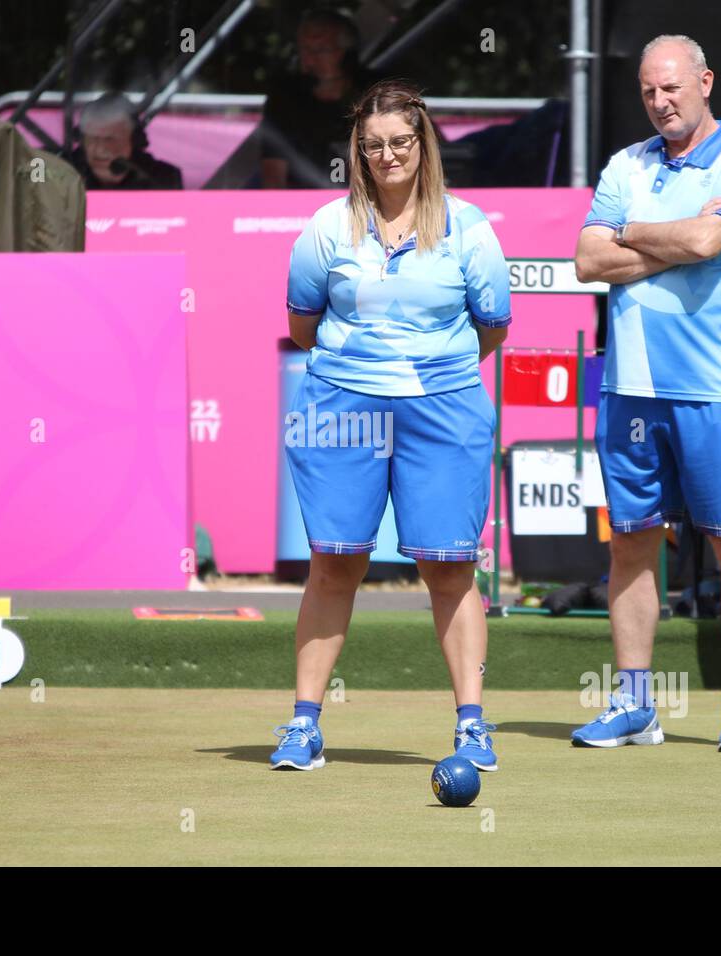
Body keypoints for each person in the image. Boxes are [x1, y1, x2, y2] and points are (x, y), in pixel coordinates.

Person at [271, 79, 512, 771]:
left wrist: (430, 370)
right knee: (335, 563)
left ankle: (471, 726)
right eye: (373, 145)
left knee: (450, 566)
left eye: (401, 142)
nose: (388, 156)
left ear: (423, 143)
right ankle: (304, 726)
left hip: (445, 408)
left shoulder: (469, 226)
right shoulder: (327, 227)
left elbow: (492, 326)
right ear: (358, 150)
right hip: (341, 407)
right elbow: (303, 324)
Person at [572, 34, 721, 751]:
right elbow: (587, 259)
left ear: (705, 82)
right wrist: (668, 238)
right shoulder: (625, 163)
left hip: (710, 387)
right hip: (628, 387)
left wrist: (630, 234)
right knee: (630, 544)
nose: (661, 102)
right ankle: (634, 705)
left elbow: (705, 244)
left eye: (673, 88)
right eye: (649, 91)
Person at [259, 9, 377, 189]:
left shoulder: (375, 94)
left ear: (346, 53)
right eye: (304, 50)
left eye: (320, 50)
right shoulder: (285, 98)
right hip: (304, 203)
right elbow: (273, 174)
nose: (309, 60)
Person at [68, 92, 182, 190]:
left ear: (134, 140)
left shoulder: (164, 178)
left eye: (109, 139)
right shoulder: (63, 175)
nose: (100, 149)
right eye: (93, 138)